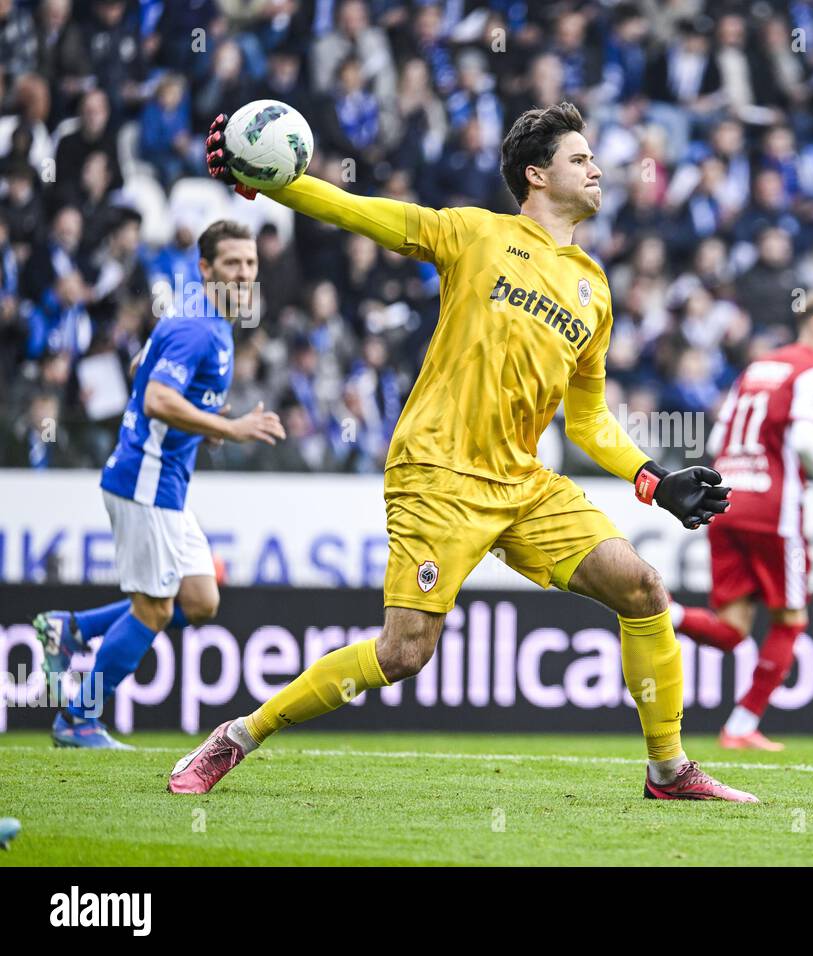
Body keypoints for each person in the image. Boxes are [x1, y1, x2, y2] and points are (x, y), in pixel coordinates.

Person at [168, 102, 756, 803]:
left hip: (524, 481)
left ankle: (669, 771)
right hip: (438, 472)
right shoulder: (472, 233)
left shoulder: (594, 288)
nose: (597, 168)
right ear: (536, 176)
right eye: (580, 158)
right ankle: (237, 735)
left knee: (644, 589)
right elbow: (358, 212)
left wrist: (653, 479)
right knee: (404, 653)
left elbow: (589, 417)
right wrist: (270, 182)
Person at [36, 221, 287, 748]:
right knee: (154, 608)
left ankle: (73, 628)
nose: (244, 274)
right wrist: (229, 427)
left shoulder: (207, 321)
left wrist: (199, 421)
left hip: (166, 485)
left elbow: (141, 367)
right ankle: (79, 718)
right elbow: (154, 398)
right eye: (232, 264)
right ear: (205, 269)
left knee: (198, 601)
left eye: (250, 264)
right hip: (144, 483)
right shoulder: (198, 326)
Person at [670, 293, 813, 750]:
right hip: (774, 511)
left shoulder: (756, 368)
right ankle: (741, 726)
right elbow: (805, 438)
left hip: (726, 502)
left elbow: (720, 434)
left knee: (732, 628)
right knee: (791, 619)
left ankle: (664, 610)